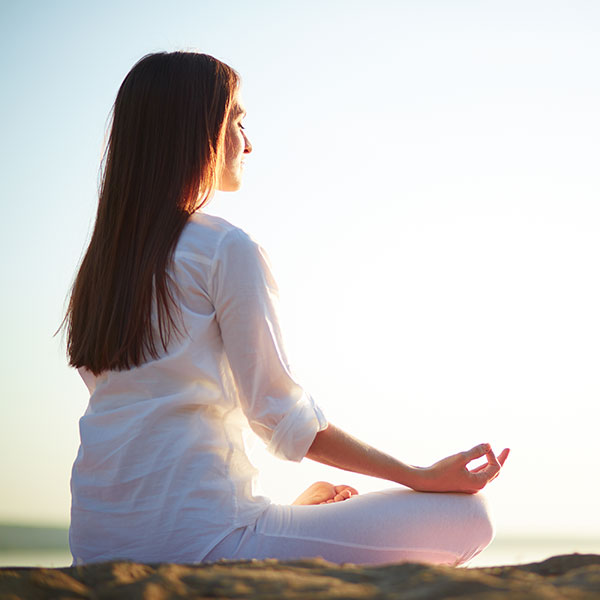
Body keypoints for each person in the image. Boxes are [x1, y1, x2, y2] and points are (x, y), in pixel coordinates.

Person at [64, 51, 509, 567]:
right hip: (202, 543)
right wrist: (420, 475)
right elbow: (280, 415)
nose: (247, 142)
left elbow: (145, 426)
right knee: (472, 518)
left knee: (278, 515)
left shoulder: (100, 270)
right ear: (195, 130)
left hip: (95, 548)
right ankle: (265, 536)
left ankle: (273, 529)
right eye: (238, 121)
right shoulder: (223, 248)